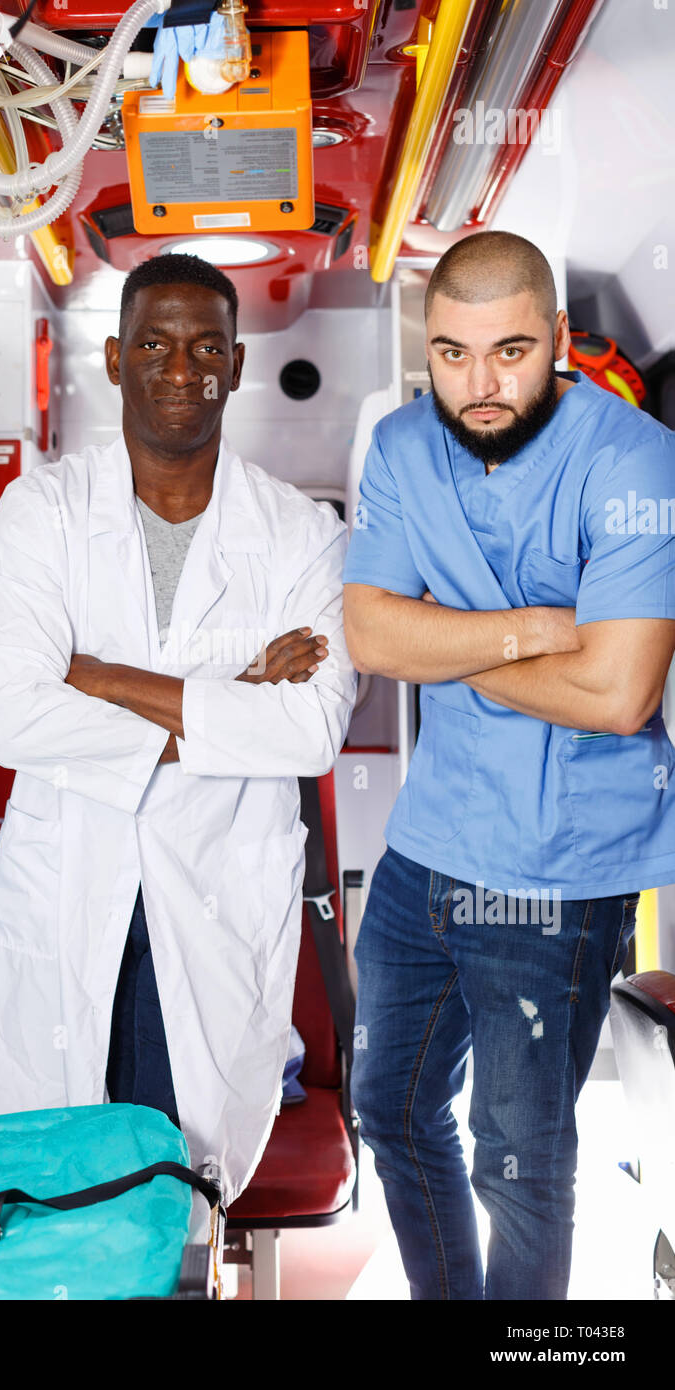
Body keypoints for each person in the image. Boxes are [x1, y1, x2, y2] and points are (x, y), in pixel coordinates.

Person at [0, 254, 357, 1204]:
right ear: (112, 358)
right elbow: (17, 717)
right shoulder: (42, 511)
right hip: (70, 884)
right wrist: (227, 694)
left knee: (175, 1187)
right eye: (153, 343)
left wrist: (97, 678)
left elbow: (308, 734)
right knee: (50, 1182)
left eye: (203, 348)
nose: (179, 370)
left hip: (218, 894)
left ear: (234, 363)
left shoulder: (301, 534)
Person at [342, 229, 675, 1300]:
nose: (479, 385)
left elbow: (622, 693)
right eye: (451, 354)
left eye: (511, 352)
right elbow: (374, 640)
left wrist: (453, 639)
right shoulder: (401, 449)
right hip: (424, 851)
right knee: (387, 1109)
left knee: (518, 1164)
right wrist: (539, 629)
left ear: (562, 342)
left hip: (560, 870)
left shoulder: (632, 463)